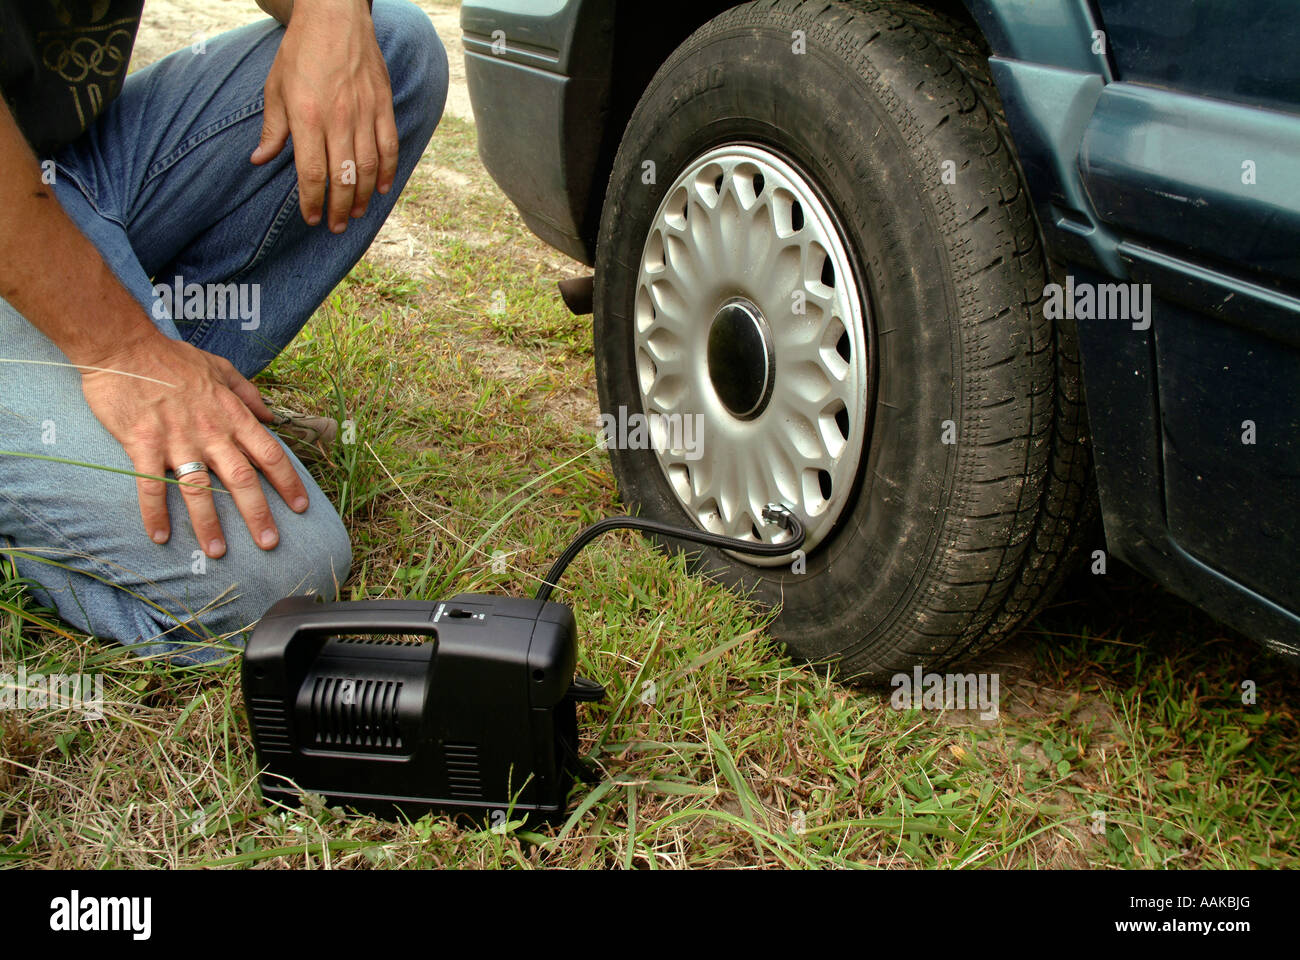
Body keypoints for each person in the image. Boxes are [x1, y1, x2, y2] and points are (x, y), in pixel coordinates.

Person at [0, 0, 448, 664]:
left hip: (66, 166)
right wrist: (123, 350)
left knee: (393, 47)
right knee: (278, 585)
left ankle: (180, 419)